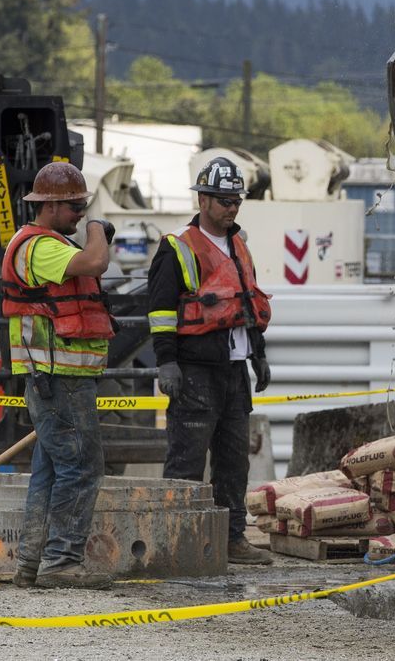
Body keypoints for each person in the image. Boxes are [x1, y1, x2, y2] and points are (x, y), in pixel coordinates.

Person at [147, 157, 273, 565]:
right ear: (203, 200)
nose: (231, 207)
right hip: (194, 370)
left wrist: (259, 356)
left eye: (236, 200)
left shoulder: (239, 246)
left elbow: (248, 303)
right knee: (186, 460)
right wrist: (167, 362)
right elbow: (161, 310)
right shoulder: (178, 248)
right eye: (223, 200)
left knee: (234, 461)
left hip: (234, 370)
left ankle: (233, 538)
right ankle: (176, 542)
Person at [1, 162, 116, 589]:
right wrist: (99, 229)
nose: (80, 215)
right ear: (50, 206)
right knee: (82, 466)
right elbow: (96, 261)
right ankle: (62, 561)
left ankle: (32, 562)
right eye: (74, 207)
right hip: (56, 378)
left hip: (56, 378)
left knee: (51, 469)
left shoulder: (42, 243)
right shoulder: (40, 246)